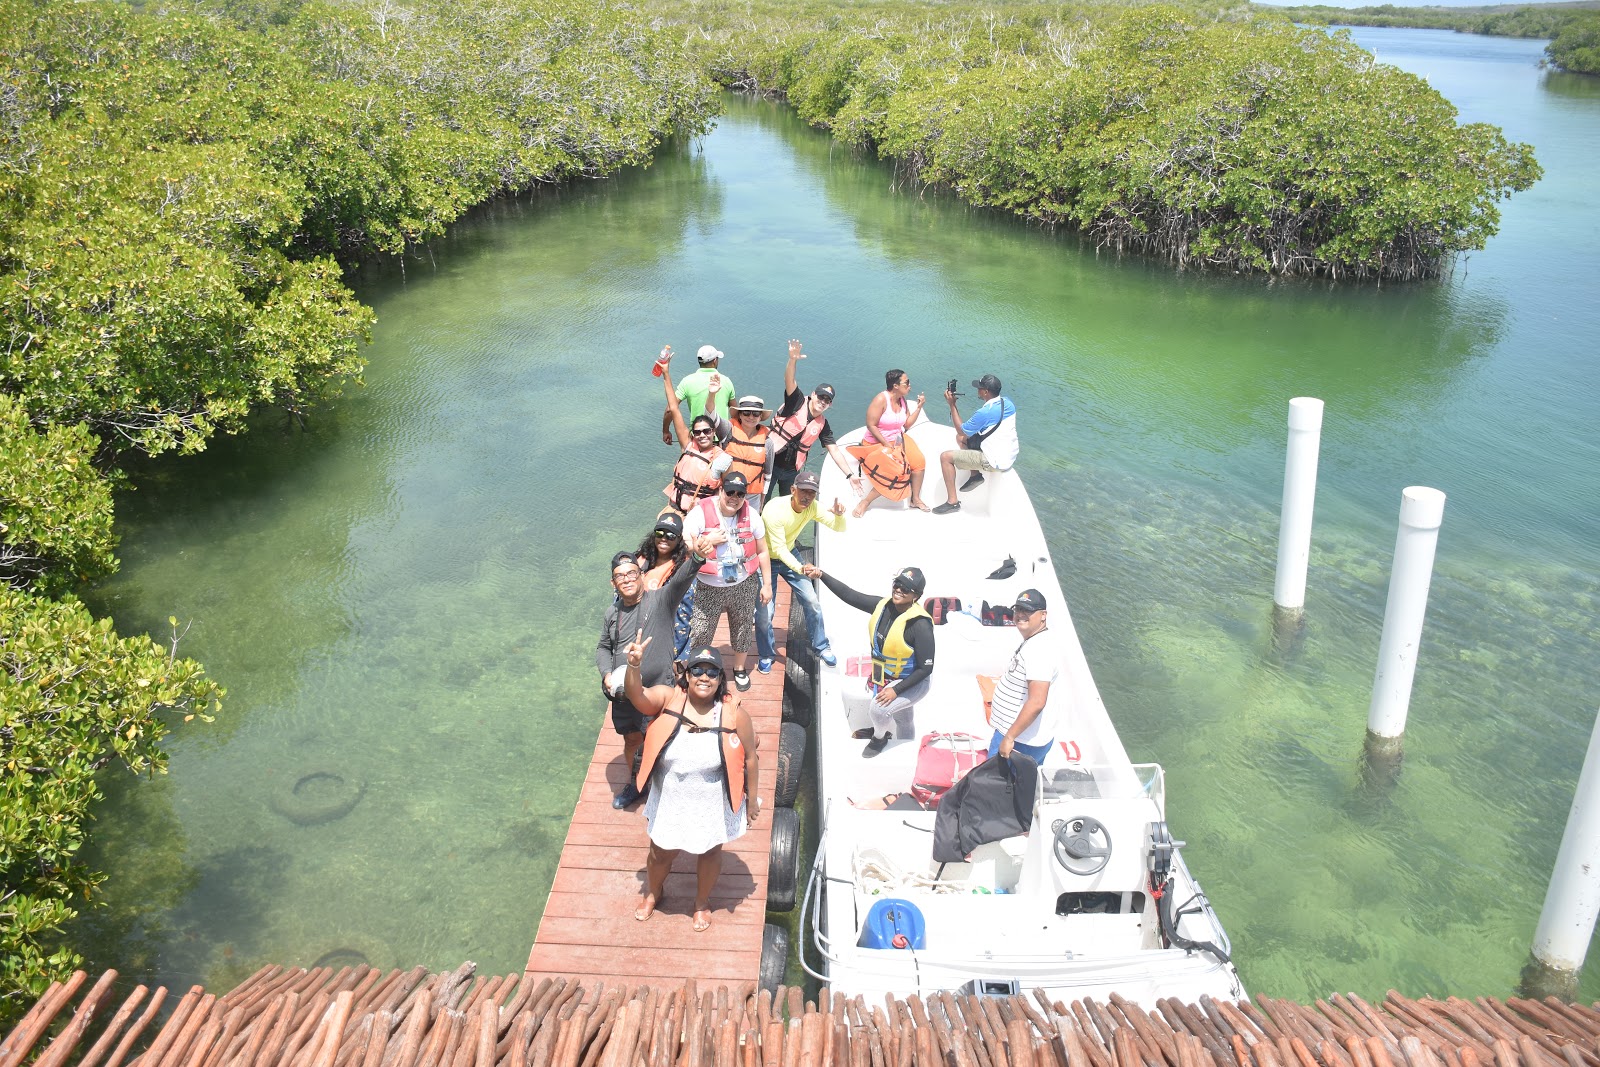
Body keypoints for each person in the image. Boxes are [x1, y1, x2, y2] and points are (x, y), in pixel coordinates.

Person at [623, 641, 760, 932]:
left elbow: (750, 757)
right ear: (686, 674)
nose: (704, 677)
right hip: (670, 794)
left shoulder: (735, 715)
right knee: (659, 851)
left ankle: (701, 902)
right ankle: (653, 892)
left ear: (721, 679)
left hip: (712, 797)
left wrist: (753, 800)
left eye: (712, 672)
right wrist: (634, 666)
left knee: (710, 852)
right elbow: (637, 696)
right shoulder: (669, 698)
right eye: (697, 669)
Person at [596, 537, 709, 809]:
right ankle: (637, 783)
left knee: (663, 741)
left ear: (641, 576)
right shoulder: (612, 613)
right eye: (619, 576)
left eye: (631, 573)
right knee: (632, 738)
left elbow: (682, 580)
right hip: (624, 694)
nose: (626, 579)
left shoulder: (661, 600)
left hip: (658, 691)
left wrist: (697, 557)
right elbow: (603, 647)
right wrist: (606, 674)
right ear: (613, 583)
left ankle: (668, 788)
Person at [808, 564, 934, 757]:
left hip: (914, 681)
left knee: (877, 709)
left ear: (916, 595)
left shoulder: (920, 625)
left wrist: (895, 690)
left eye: (906, 588)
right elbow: (849, 595)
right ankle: (906, 747)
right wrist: (822, 575)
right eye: (897, 583)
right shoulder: (882, 606)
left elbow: (926, 670)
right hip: (888, 675)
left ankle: (879, 738)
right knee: (904, 718)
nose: (899, 589)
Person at [681, 471, 773, 693]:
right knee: (701, 631)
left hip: (743, 583)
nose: (734, 498)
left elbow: (762, 551)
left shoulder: (752, 515)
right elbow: (684, 545)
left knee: (742, 628)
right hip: (707, 585)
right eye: (729, 492)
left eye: (739, 494)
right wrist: (706, 541)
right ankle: (698, 672)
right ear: (720, 490)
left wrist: (767, 584)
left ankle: (739, 669)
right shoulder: (700, 513)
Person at [754, 471, 845, 673]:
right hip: (765, 557)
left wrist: (839, 516)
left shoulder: (812, 506)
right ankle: (766, 654)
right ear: (792, 490)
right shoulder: (774, 509)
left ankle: (821, 646)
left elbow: (838, 528)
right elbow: (777, 549)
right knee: (764, 613)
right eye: (803, 492)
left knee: (812, 601)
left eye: (812, 493)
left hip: (789, 552)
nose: (807, 497)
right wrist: (801, 567)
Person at [767, 338, 865, 500]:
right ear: (813, 395)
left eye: (827, 400)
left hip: (791, 471)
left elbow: (834, 450)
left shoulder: (823, 425)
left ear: (830, 405)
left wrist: (850, 475)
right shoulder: (796, 401)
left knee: (789, 504)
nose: (823, 402)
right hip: (770, 463)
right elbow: (789, 380)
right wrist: (792, 360)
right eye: (821, 397)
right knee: (763, 501)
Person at [985, 589, 1061, 763]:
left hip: (1020, 741)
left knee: (996, 787)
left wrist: (1010, 737)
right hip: (1020, 737)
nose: (1020, 614)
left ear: (1043, 615)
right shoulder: (1036, 641)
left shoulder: (1040, 650)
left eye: (1028, 610)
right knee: (1018, 786)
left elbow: (1037, 702)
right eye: (1018, 609)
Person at [933, 374, 1019, 514]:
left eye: (979, 388)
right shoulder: (1008, 403)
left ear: (986, 392)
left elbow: (962, 430)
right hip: (1009, 456)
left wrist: (952, 405)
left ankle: (952, 502)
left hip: (994, 462)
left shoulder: (984, 412)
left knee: (945, 457)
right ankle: (975, 475)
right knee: (961, 440)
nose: (977, 390)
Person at [847, 369, 929, 516]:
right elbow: (870, 425)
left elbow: (907, 425)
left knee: (919, 462)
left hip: (897, 439)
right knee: (895, 471)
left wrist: (919, 407)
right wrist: (886, 444)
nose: (910, 385)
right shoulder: (881, 399)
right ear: (895, 385)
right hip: (876, 442)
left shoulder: (902, 400)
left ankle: (915, 499)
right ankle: (865, 501)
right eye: (907, 382)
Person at [660, 358, 733, 514]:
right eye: (697, 432)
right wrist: (665, 373)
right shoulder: (688, 444)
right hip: (675, 508)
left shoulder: (722, 459)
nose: (702, 435)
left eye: (706, 431)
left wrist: (712, 395)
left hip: (701, 515)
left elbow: (728, 491)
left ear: (713, 432)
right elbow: (673, 408)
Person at [635, 512, 694, 660]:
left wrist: (672, 654)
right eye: (660, 533)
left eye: (671, 535)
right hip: (636, 629)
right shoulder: (639, 560)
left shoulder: (683, 572)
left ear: (679, 539)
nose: (664, 538)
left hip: (663, 634)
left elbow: (683, 618)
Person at [661, 344, 735, 444]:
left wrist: (666, 431)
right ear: (715, 360)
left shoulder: (687, 381)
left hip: (698, 439)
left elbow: (670, 409)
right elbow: (735, 413)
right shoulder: (726, 381)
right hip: (723, 440)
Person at [723, 395, 774, 498]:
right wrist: (712, 394)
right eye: (746, 413)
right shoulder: (727, 432)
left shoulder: (768, 442)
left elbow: (768, 474)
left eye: (755, 414)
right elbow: (711, 418)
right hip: (728, 491)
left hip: (753, 495)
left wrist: (763, 497)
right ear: (740, 415)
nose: (751, 417)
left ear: (760, 417)